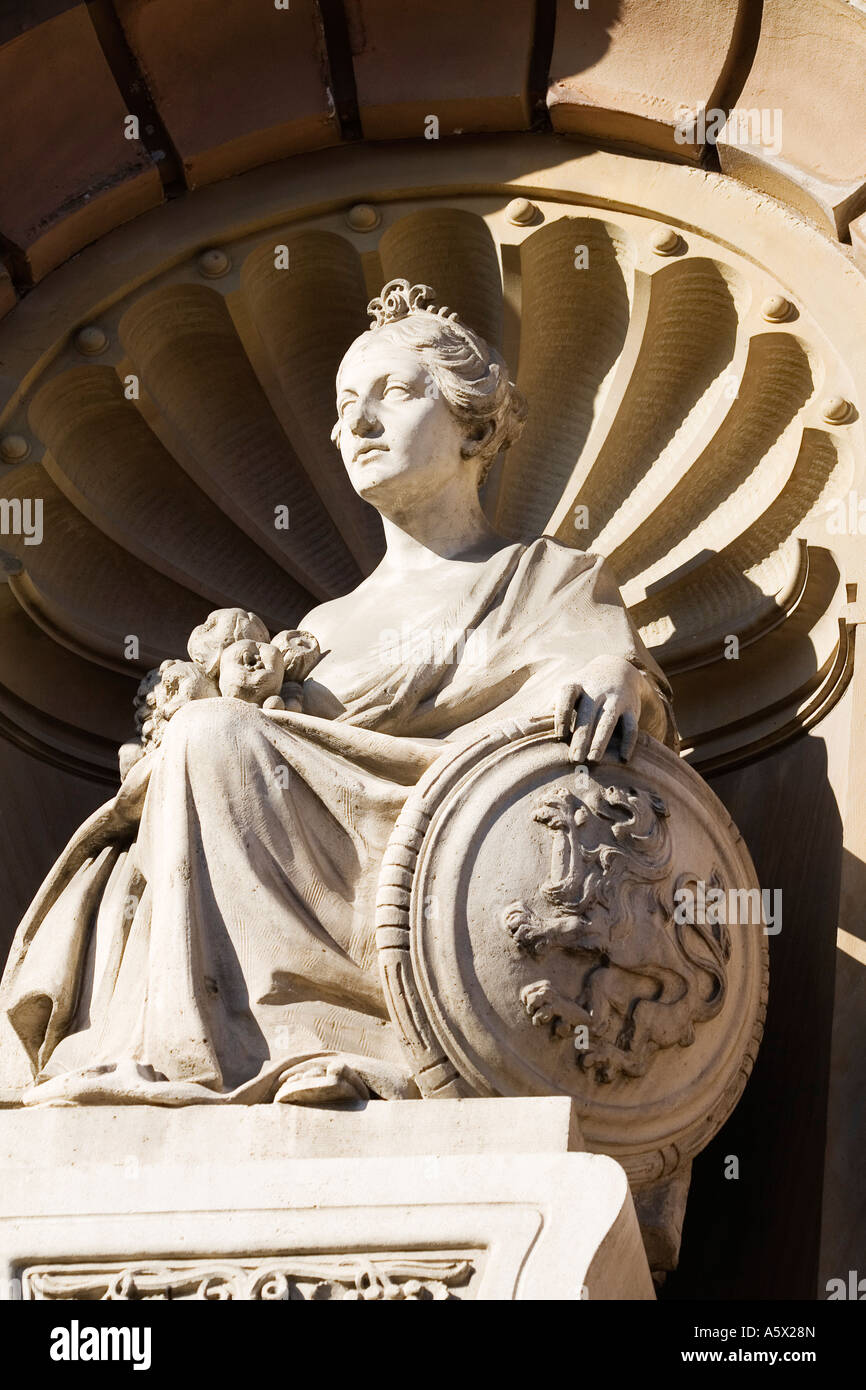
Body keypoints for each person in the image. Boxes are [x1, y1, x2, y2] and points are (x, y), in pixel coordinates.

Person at [0, 280, 675, 1108]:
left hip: (450, 878)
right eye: (344, 402)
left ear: (474, 421)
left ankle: (249, 1046)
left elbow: (620, 722)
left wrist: (617, 673)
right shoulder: (319, 631)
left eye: (392, 393)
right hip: (318, 867)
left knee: (215, 737)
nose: (356, 424)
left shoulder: (545, 581)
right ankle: (233, 1036)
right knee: (202, 746)